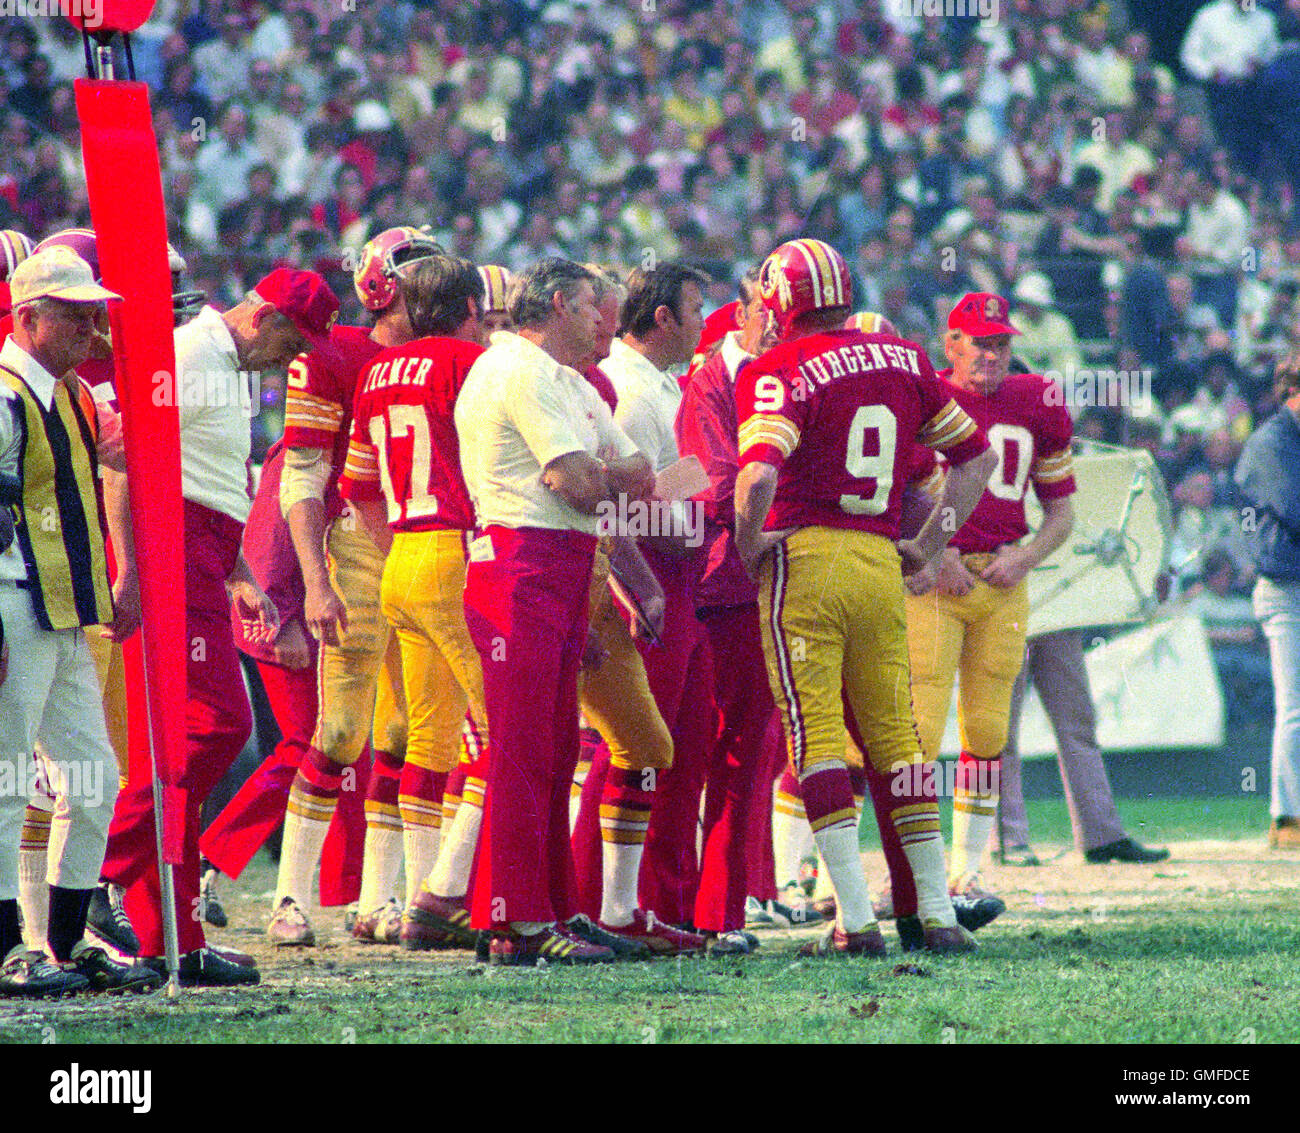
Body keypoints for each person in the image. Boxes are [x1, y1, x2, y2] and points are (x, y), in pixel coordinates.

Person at [734, 239, 996, 956]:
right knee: (898, 739)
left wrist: (748, 542)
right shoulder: (905, 357)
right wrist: (934, 542)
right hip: (881, 561)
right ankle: (938, 913)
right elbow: (978, 457)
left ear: (783, 300)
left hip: (807, 557)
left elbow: (757, 478)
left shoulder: (776, 366)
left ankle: (854, 917)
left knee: (816, 737)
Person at [100, 268, 332, 987]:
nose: (294, 359)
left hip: (200, 553)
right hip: (168, 553)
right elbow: (120, 457)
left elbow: (203, 473)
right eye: (292, 341)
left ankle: (168, 936)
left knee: (170, 751)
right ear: (263, 318)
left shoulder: (227, 366)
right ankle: (103, 870)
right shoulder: (195, 357)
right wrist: (131, 568)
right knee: (217, 727)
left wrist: (237, 571)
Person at [455, 258, 654, 965]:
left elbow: (638, 475)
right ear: (564, 304)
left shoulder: (564, 378)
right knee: (520, 750)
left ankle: (554, 907)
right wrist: (603, 477)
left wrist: (601, 478)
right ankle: (513, 917)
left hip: (557, 565)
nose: (607, 319)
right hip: (522, 562)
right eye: (597, 305)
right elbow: (579, 482)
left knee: (555, 747)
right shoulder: (519, 369)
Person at [269, 226, 441, 947]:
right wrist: (313, 582)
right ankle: (288, 896)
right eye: (424, 277)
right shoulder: (334, 351)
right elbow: (302, 476)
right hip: (356, 548)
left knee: (404, 732)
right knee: (341, 728)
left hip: (427, 546)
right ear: (386, 285)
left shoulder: (447, 354)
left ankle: (380, 896)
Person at [0, 247, 160, 996]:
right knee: (6, 780)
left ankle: (62, 942)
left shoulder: (70, 393)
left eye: (92, 313)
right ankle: (9, 946)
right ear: (26, 317)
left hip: (62, 606)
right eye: (72, 314)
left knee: (94, 777)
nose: (89, 328)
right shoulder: (6, 394)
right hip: (14, 600)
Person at [899, 292, 1077, 909]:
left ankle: (966, 872)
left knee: (988, 729)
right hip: (934, 583)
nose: (994, 354)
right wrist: (934, 551)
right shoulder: (923, 396)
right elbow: (888, 487)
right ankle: (913, 874)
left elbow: (1061, 512)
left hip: (1003, 580)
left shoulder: (1036, 400)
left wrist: (1025, 556)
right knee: (916, 731)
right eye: (982, 342)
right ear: (951, 344)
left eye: (1002, 342)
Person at [338, 253, 493, 950]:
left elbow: (358, 485)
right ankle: (443, 892)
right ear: (467, 306)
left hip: (402, 553)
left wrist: (403, 541)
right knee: (504, 728)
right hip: (456, 553)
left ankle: (425, 900)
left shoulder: (377, 370)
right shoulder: (472, 365)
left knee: (426, 739)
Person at [996, 628, 1171, 865]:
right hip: (1001, 611)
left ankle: (1102, 836)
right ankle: (1006, 841)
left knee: (1078, 724)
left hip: (1056, 615)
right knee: (997, 732)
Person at [1233, 352, 1300, 849]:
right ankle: (1287, 818)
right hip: (1285, 589)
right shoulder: (1272, 442)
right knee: (1295, 707)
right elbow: (1295, 509)